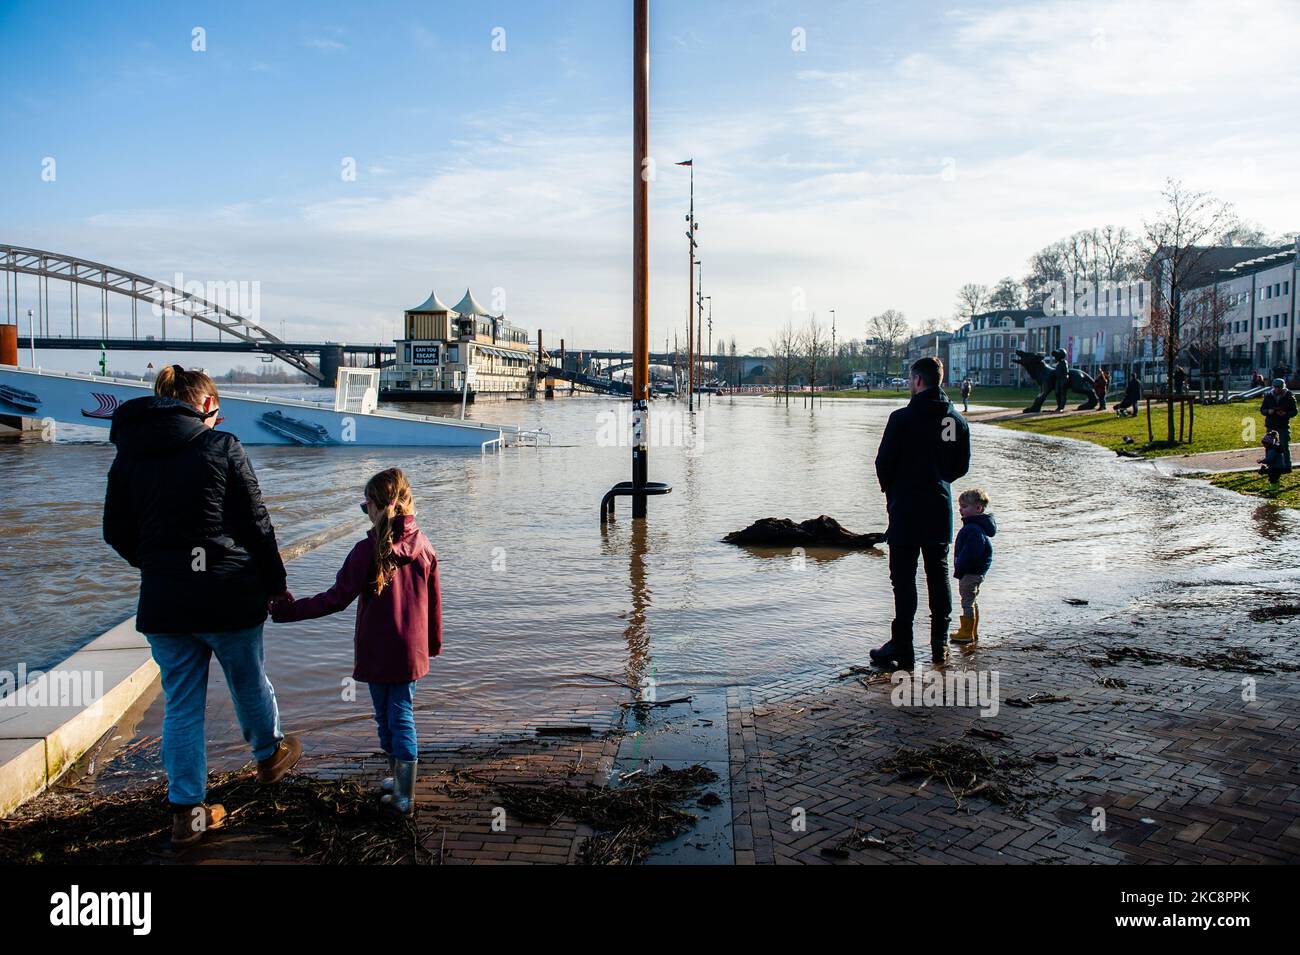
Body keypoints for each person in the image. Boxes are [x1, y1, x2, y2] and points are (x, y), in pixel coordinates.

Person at [103, 365, 301, 848]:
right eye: (220, 410)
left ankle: (188, 813)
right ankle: (269, 756)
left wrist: (158, 566)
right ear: (205, 408)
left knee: (182, 705)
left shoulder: (129, 452)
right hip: (228, 594)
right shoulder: (222, 446)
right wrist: (276, 583)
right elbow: (257, 524)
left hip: (165, 603)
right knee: (247, 679)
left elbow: (115, 532)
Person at [271, 468, 442, 816]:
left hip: (379, 650)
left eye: (365, 507)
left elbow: (335, 599)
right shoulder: (423, 545)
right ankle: (399, 783)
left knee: (390, 716)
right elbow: (435, 602)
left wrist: (288, 612)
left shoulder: (366, 550)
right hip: (410, 652)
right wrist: (432, 644)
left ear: (379, 508)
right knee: (396, 714)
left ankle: (404, 798)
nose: (365, 513)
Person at [870, 356, 971, 669]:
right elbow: (958, 466)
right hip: (938, 506)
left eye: (910, 380)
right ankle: (939, 644)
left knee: (903, 579)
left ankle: (903, 646)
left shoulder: (902, 419)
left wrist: (893, 491)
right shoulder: (951, 421)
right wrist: (938, 480)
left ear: (917, 381)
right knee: (937, 575)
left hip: (905, 507)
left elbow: (883, 463)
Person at [949, 488, 995, 645]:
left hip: (970, 572)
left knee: (967, 601)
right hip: (975, 571)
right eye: (960, 506)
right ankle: (972, 631)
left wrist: (960, 565)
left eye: (965, 506)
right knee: (972, 600)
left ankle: (967, 632)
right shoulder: (975, 527)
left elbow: (971, 552)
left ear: (978, 508)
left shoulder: (973, 529)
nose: (961, 509)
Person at [1260, 378, 1297, 473]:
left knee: (1284, 445)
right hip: (1271, 424)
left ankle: (1287, 466)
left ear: (1283, 387)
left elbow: (1294, 411)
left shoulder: (1289, 396)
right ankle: (1271, 465)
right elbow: (1262, 410)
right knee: (1269, 446)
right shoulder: (1268, 396)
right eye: (1275, 387)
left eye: (1279, 387)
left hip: (1283, 424)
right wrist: (1269, 411)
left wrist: (1285, 414)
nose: (1277, 389)